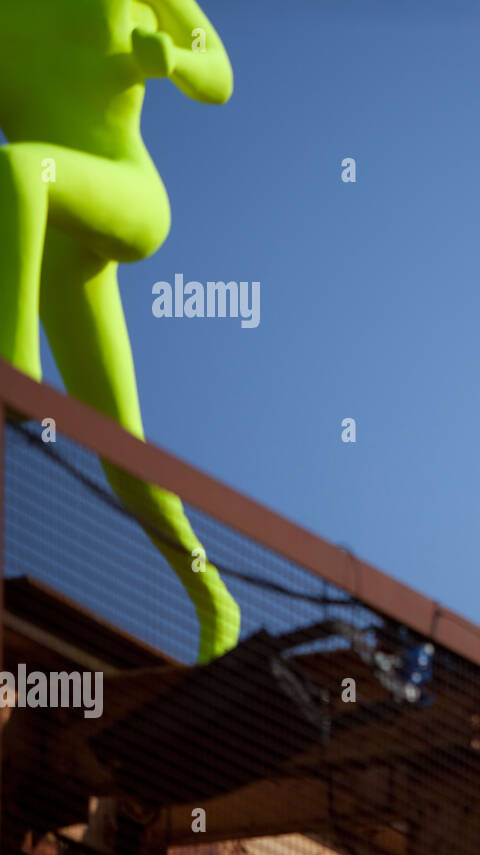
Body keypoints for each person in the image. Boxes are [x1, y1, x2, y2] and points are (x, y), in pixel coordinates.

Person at [0, 0, 239, 662]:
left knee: (20, 166)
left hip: (123, 195)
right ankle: (214, 599)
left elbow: (218, 75)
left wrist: (175, 60)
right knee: (119, 447)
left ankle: (15, 377)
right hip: (44, 239)